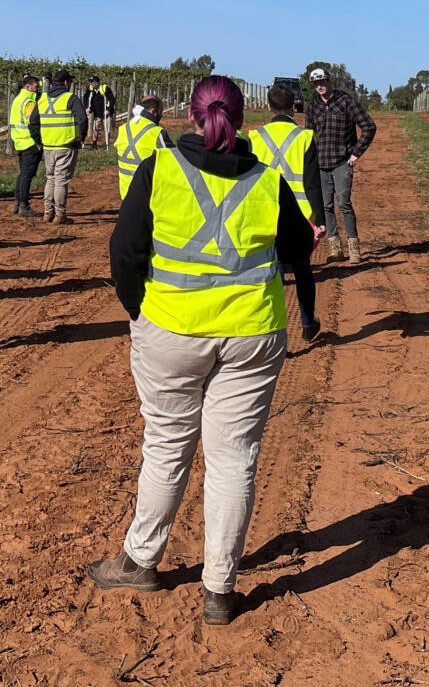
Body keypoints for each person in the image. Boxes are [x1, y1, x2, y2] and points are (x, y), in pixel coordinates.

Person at [89, 75, 316, 625]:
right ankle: (219, 589)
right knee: (234, 459)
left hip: (169, 331)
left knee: (167, 445)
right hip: (251, 336)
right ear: (243, 119)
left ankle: (140, 561)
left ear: (190, 116)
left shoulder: (160, 168)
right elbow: (298, 249)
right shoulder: (267, 181)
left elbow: (124, 252)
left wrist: (138, 308)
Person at [247, 84, 324, 341]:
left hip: (264, 211)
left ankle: (276, 333)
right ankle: (307, 322)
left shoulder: (255, 137)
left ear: (268, 106)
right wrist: (321, 220)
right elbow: (313, 182)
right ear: (295, 107)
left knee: (273, 272)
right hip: (300, 215)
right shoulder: (305, 137)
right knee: (302, 269)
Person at [304, 66, 377, 262]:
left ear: (329, 81)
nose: (319, 86)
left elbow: (369, 126)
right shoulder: (312, 106)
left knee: (344, 204)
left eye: (322, 82)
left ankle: (354, 249)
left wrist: (355, 153)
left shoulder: (346, 101)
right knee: (326, 206)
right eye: (316, 84)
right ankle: (335, 249)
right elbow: (308, 136)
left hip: (342, 162)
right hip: (321, 164)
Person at [36, 69, 89, 223]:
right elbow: (82, 119)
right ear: (66, 83)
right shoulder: (70, 98)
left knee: (50, 178)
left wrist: (38, 140)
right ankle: (60, 214)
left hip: (48, 146)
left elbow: (33, 121)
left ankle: (47, 212)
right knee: (61, 180)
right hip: (66, 145)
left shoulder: (43, 99)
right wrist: (81, 136)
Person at [113, 95, 170, 201]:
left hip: (126, 195)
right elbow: (174, 164)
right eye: (160, 112)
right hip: (149, 198)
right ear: (153, 111)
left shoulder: (123, 129)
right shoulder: (157, 132)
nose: (161, 115)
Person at [9, 72, 41, 217]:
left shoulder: (18, 99)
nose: (38, 89)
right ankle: (23, 205)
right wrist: (38, 142)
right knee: (27, 175)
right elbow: (32, 123)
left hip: (19, 141)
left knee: (22, 174)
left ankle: (17, 203)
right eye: (36, 86)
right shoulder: (29, 102)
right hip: (29, 142)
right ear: (28, 86)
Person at [85, 76, 108, 146]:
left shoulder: (104, 89)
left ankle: (107, 144)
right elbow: (85, 98)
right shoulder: (90, 90)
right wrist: (86, 107)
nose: (91, 84)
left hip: (105, 112)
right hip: (96, 113)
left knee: (107, 129)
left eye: (93, 82)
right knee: (96, 128)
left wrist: (109, 110)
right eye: (91, 82)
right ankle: (94, 143)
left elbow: (111, 99)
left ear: (97, 83)